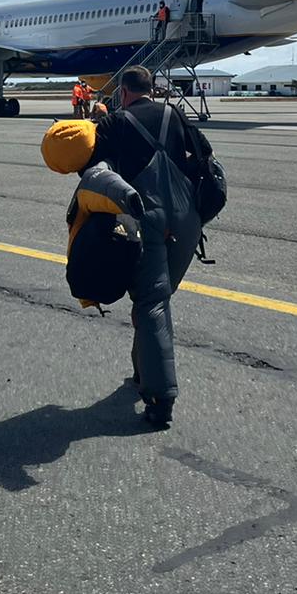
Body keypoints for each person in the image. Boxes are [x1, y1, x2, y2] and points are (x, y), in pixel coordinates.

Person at [91, 65, 213, 428]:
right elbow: (204, 153)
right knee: (156, 298)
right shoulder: (174, 114)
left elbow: (91, 167)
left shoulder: (116, 121)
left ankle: (161, 398)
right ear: (152, 89)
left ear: (123, 92)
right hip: (187, 218)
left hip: (147, 217)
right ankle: (143, 370)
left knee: (151, 303)